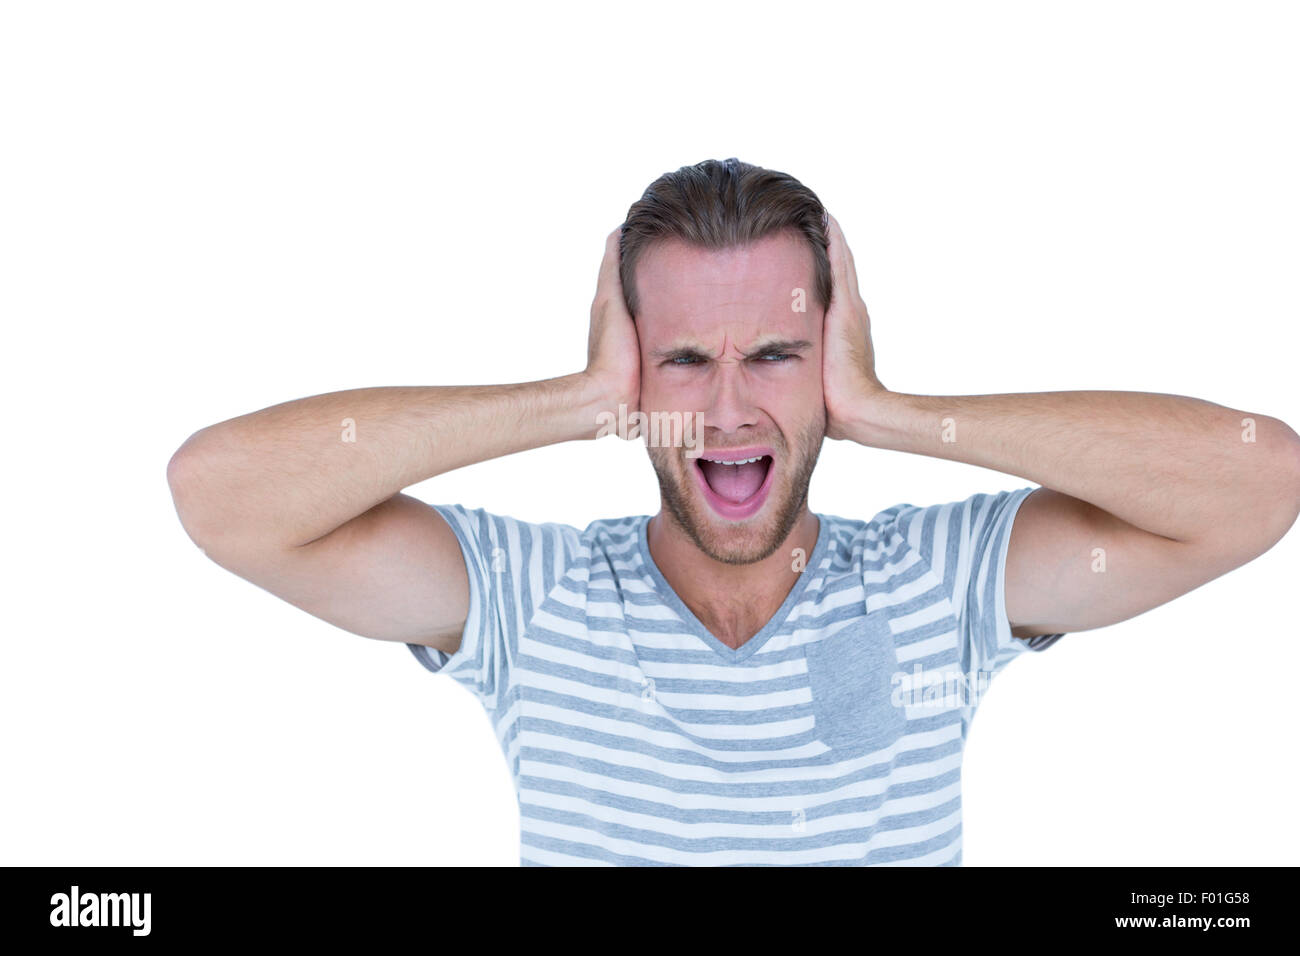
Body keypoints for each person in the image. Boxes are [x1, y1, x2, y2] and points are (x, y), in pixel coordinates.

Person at [166, 158, 1300, 865]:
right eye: (681, 360)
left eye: (773, 355)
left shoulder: (935, 584)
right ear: (633, 376)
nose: (725, 408)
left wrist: (892, 414)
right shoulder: (534, 600)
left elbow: (1255, 482)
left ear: (826, 366)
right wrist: (571, 402)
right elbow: (221, 495)